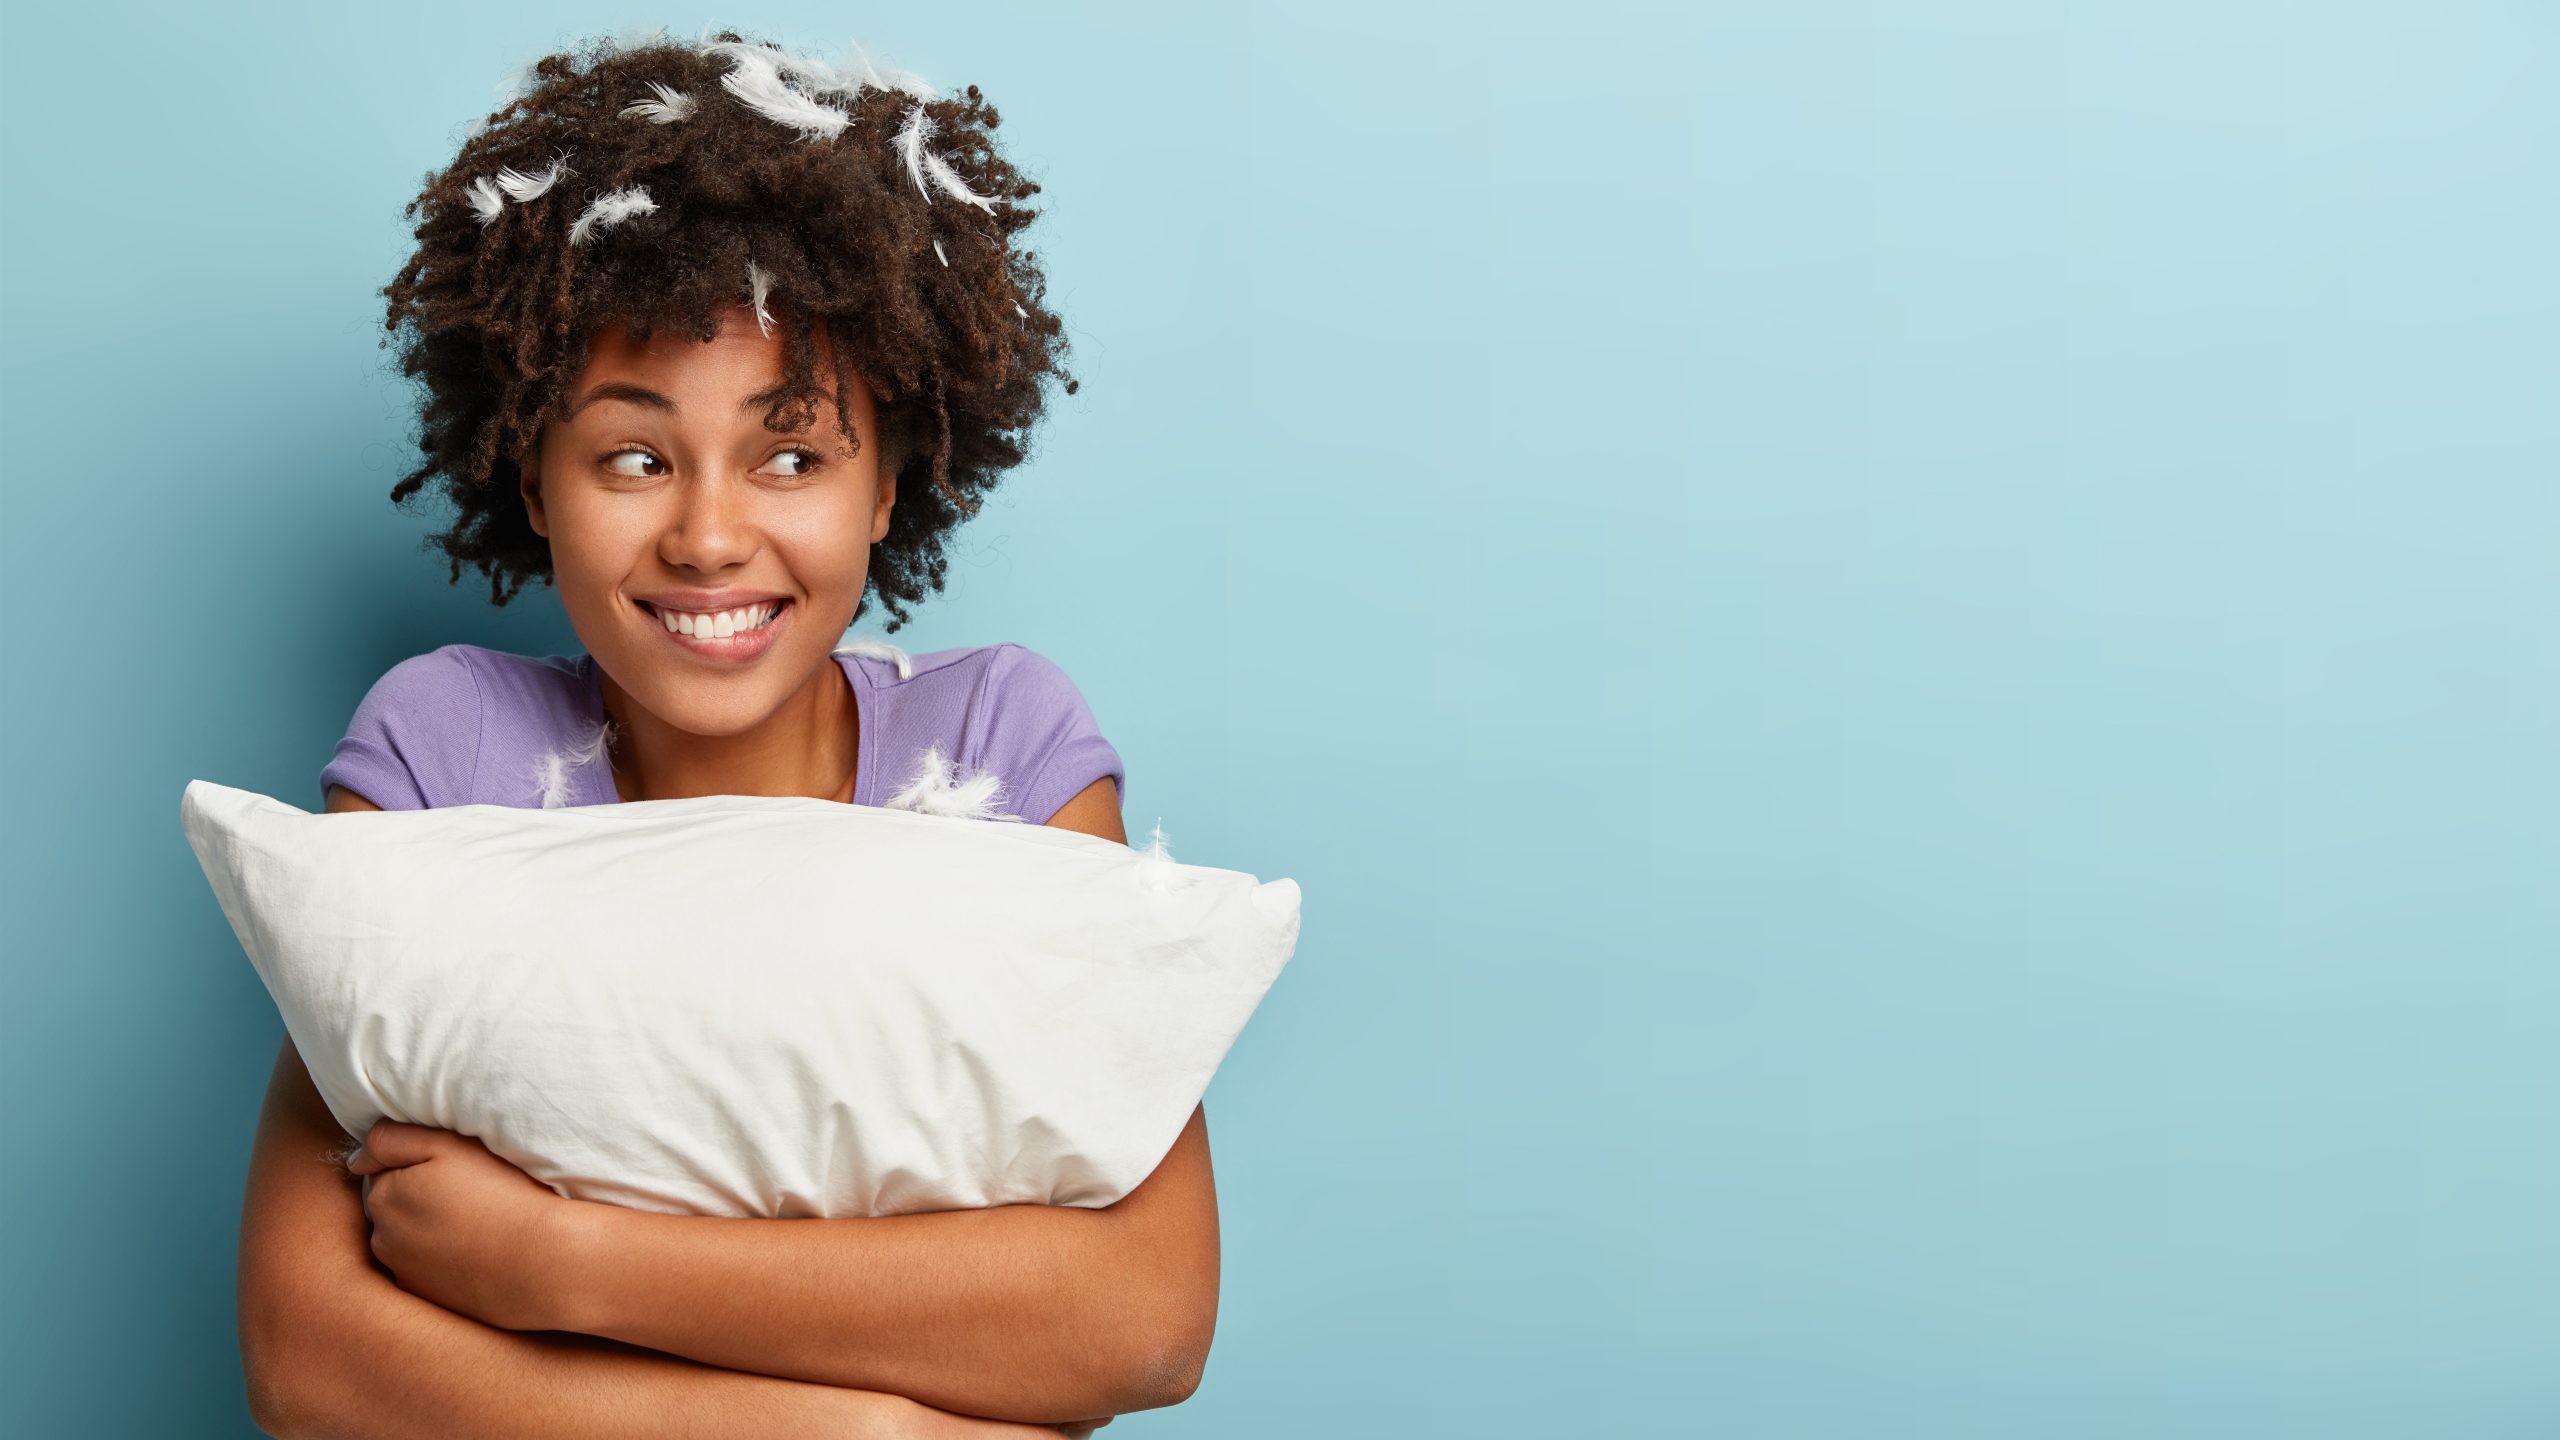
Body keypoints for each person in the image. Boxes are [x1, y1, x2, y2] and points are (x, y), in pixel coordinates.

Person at [235, 30, 1217, 1439]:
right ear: (534, 472)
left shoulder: (1006, 750)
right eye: (634, 456)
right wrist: (855, 1430)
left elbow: (1141, 1317)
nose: (706, 536)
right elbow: (307, 1354)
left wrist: (565, 1263)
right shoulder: (443, 760)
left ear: (891, 482)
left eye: (794, 455)